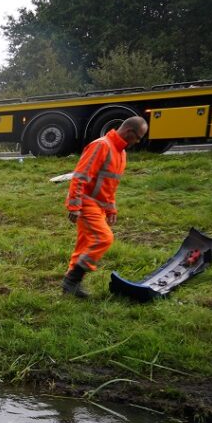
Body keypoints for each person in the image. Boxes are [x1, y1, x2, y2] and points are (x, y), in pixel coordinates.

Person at [62, 116, 149, 297]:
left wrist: (111, 208)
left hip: (98, 207)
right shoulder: (101, 146)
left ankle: (71, 287)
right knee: (104, 238)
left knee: (85, 244)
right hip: (86, 202)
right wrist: (74, 206)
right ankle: (72, 280)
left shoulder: (121, 153)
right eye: (139, 137)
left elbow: (110, 185)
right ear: (129, 132)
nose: (138, 142)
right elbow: (80, 176)